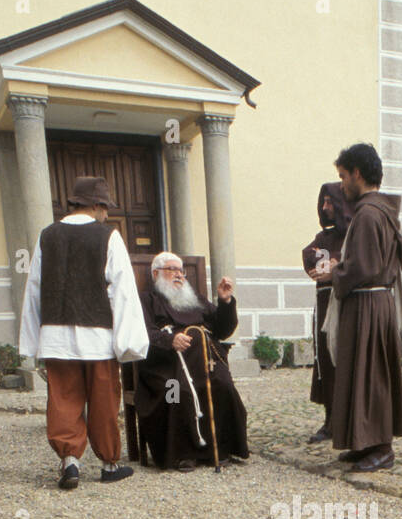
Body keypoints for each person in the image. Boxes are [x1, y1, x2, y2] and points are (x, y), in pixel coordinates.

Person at [19, 175, 148, 489]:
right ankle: (109, 464)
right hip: (97, 335)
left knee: (63, 399)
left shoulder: (47, 236)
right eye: (106, 208)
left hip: (55, 334)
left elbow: (34, 289)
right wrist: (128, 343)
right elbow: (124, 291)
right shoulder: (107, 237)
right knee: (103, 399)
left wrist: (33, 339)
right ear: (99, 206)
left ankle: (70, 462)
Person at [322, 143, 402, 472]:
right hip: (370, 302)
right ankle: (364, 441)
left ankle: (382, 447)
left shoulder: (370, 214)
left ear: (358, 174)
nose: (342, 184)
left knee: (372, 375)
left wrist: (335, 272)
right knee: (361, 373)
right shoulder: (376, 212)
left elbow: (363, 265)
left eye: (343, 176)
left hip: (369, 303)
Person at [134, 253, 249, 469]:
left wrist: (225, 302)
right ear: (156, 273)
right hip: (167, 366)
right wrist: (170, 341)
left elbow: (222, 330)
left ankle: (219, 449)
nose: (179, 274)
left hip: (205, 362)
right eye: (172, 269)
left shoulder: (195, 299)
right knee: (176, 393)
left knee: (223, 386)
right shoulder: (146, 300)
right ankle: (180, 454)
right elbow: (141, 333)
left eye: (181, 270)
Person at [301, 182, 354, 443]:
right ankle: (330, 420)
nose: (325, 207)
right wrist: (328, 261)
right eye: (323, 203)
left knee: (342, 360)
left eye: (330, 202)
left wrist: (334, 263)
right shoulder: (325, 238)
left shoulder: (353, 233)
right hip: (324, 306)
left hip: (344, 306)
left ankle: (346, 421)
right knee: (325, 360)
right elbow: (310, 255)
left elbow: (348, 259)